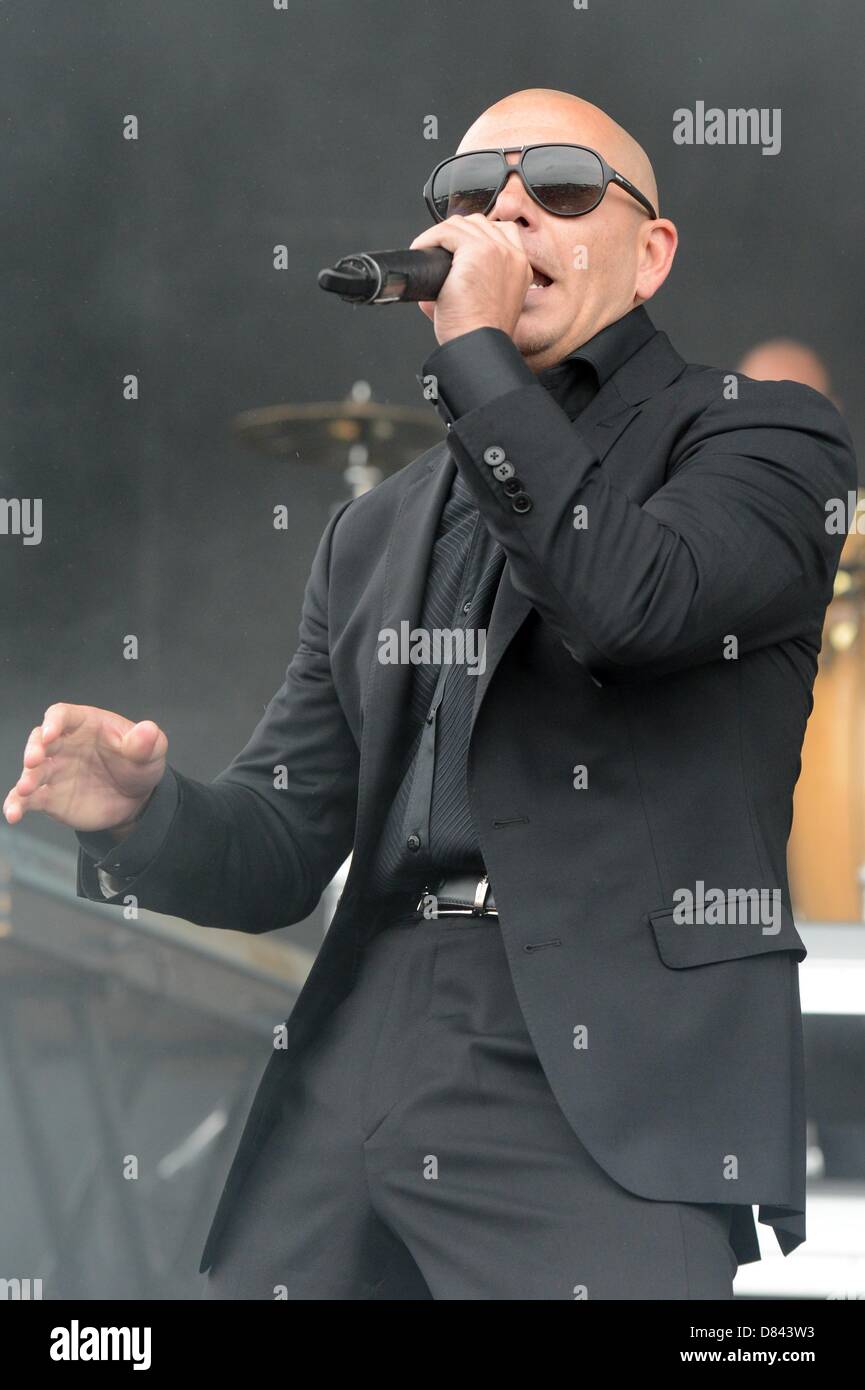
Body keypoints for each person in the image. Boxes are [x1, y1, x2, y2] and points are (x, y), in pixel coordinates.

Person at [4, 88, 856, 1300]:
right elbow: (283, 842)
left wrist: (478, 358)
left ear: (651, 251)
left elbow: (629, 603)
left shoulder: (763, 441)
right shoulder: (375, 529)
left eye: (558, 189)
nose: (505, 210)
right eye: (467, 196)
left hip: (600, 1068)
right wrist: (140, 813)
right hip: (368, 1029)